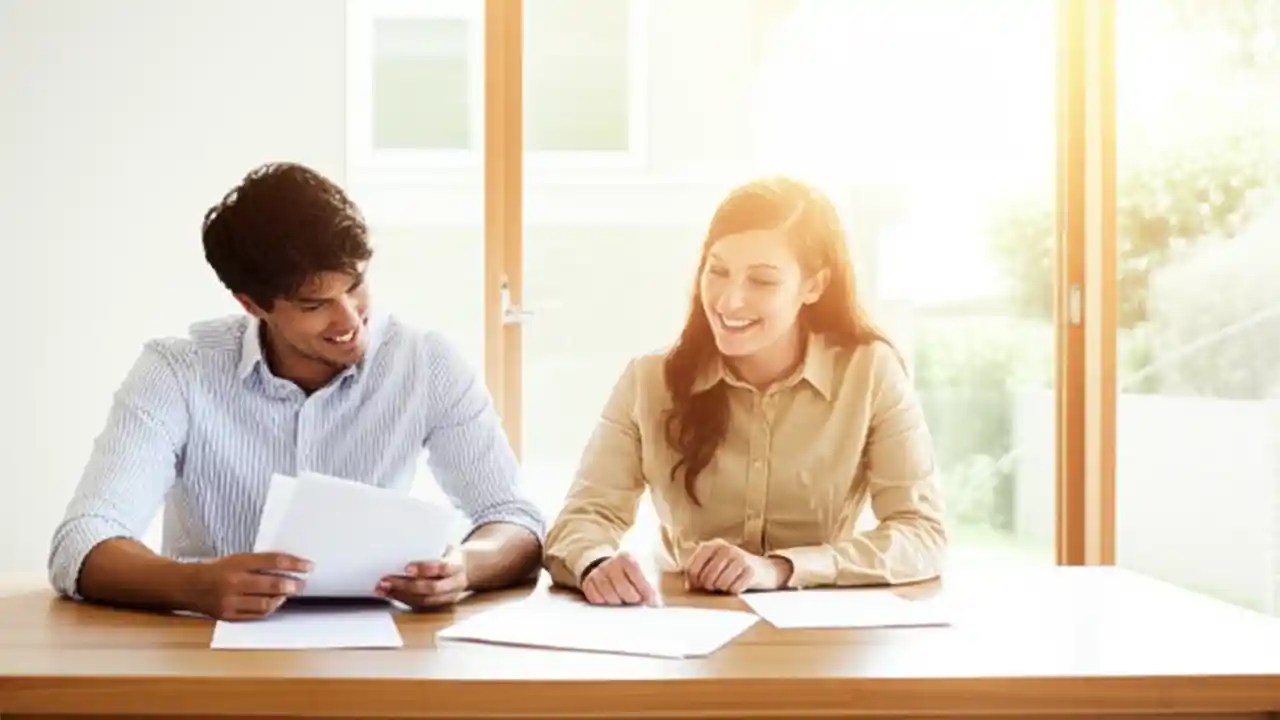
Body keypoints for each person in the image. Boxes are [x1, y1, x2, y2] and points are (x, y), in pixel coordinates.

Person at [48, 162, 544, 620]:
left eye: (355, 285)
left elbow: (516, 520)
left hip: (372, 659)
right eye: (315, 305)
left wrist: (465, 567)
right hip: (209, 660)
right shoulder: (179, 372)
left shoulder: (426, 364)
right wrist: (192, 584)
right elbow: (82, 542)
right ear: (251, 304)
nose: (350, 319)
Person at [544, 177, 946, 605]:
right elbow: (582, 519)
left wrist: (781, 567)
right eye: (717, 271)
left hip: (817, 637)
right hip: (688, 629)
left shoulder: (869, 372)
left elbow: (920, 534)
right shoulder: (650, 380)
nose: (729, 301)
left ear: (813, 285)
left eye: (762, 281)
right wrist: (595, 563)